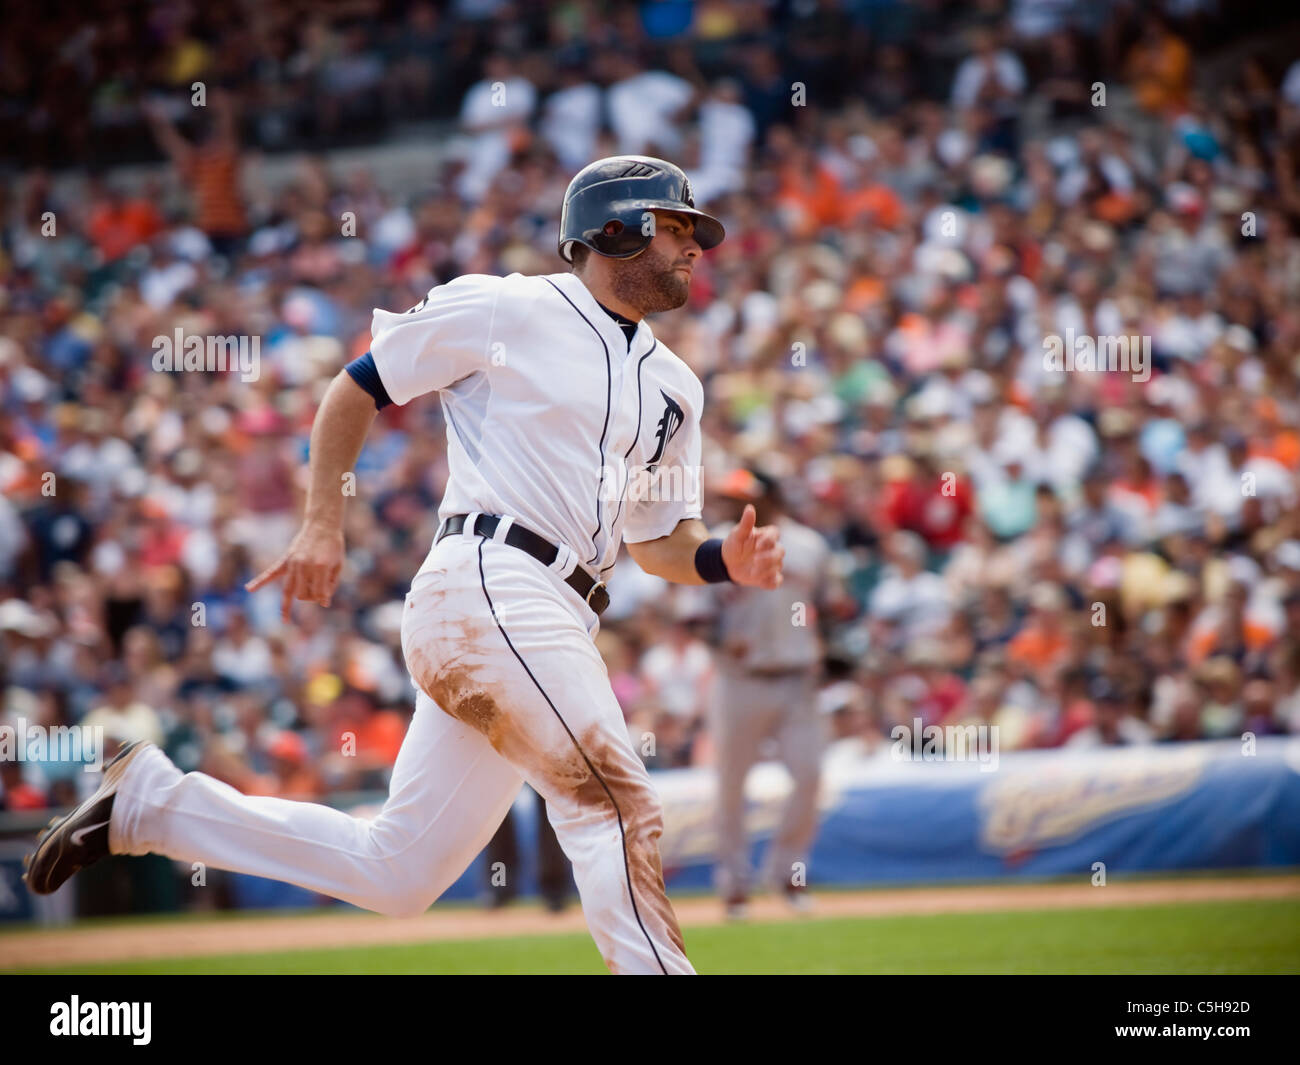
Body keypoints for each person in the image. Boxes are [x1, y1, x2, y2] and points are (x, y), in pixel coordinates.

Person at [24, 155, 784, 977]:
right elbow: (355, 388)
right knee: (613, 801)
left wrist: (721, 560)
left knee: (399, 870)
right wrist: (321, 522)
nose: (694, 247)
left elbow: (658, 541)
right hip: (494, 578)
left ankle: (152, 806)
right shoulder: (508, 304)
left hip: (554, 614)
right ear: (616, 228)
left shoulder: (677, 388)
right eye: (676, 227)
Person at [707, 468, 834, 917]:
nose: (730, 504)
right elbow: (693, 616)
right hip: (739, 679)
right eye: (728, 497)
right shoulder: (714, 542)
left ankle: (788, 874)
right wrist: (721, 642)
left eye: (741, 496)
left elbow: (830, 606)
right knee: (730, 784)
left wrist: (826, 650)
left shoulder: (808, 545)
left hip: (798, 678)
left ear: (770, 496)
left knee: (810, 775)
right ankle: (735, 884)